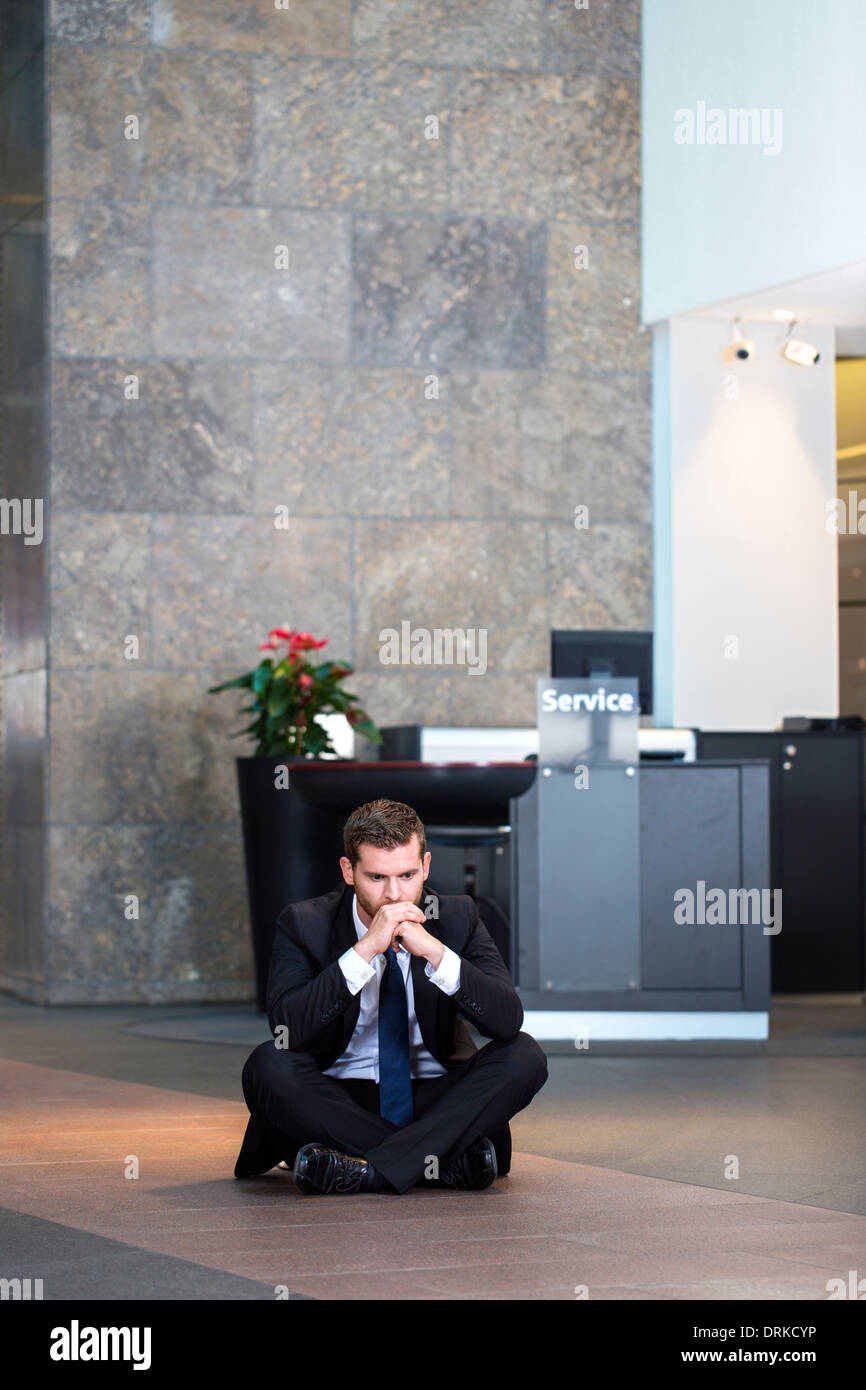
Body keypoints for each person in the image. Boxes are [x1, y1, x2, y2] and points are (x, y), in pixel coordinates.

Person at [234, 797, 548, 1195]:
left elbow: (506, 1021)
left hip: (435, 1099)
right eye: (377, 878)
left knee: (525, 1055)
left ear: (426, 866)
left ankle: (367, 1171)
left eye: (407, 875)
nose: (395, 895)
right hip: (339, 1099)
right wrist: (364, 950)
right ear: (349, 871)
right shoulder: (304, 923)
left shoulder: (456, 916)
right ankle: (436, 1163)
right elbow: (287, 1030)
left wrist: (435, 953)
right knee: (268, 1064)